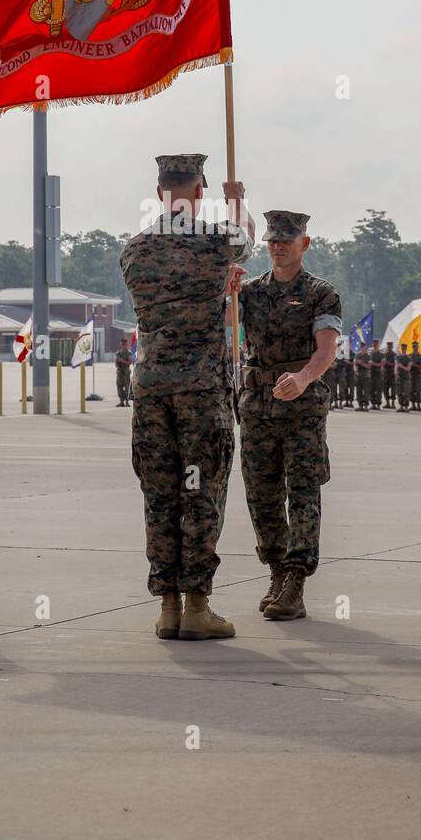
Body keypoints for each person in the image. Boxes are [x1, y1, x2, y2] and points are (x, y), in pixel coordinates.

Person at [120, 154, 254, 641]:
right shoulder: (218, 241)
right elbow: (246, 239)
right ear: (200, 192)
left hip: (152, 383)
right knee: (201, 491)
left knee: (159, 493)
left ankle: (168, 606)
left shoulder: (134, 250)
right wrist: (238, 203)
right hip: (200, 386)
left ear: (159, 192)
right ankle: (198, 604)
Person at [237, 210, 340, 622]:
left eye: (286, 240)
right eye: (272, 240)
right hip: (256, 404)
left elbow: (326, 350)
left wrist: (303, 377)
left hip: (302, 408)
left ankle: (296, 580)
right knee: (261, 495)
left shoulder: (321, 293)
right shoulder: (247, 292)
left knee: (302, 493)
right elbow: (223, 316)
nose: (277, 246)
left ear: (304, 243)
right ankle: (277, 570)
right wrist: (236, 204)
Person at [114, 337, 132, 406]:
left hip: (126, 373)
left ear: (126, 345)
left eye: (124, 344)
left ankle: (127, 402)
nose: (123, 346)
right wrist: (117, 362)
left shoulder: (129, 353)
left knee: (127, 387)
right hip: (119, 372)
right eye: (121, 344)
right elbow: (115, 363)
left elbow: (129, 362)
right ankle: (121, 401)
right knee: (119, 387)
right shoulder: (118, 353)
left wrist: (122, 361)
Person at [354, 341, 371, 410]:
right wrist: (355, 370)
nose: (362, 348)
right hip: (358, 376)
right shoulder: (357, 355)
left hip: (365, 376)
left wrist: (361, 363)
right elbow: (354, 364)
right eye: (361, 347)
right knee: (359, 391)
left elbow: (369, 366)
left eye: (363, 347)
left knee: (366, 391)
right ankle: (360, 405)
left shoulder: (368, 356)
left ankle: (366, 406)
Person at [396, 342, 412, 411]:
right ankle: (401, 406)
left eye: (404, 348)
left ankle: (406, 407)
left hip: (406, 377)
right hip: (399, 377)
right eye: (402, 348)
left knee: (406, 392)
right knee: (399, 392)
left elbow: (408, 368)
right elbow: (396, 366)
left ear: (406, 349)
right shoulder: (397, 357)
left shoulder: (409, 358)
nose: (403, 349)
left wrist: (401, 366)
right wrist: (396, 374)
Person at [409, 340, 421, 412]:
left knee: (418, 390)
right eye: (413, 346)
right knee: (411, 390)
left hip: (418, 375)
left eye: (416, 346)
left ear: (418, 347)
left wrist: (414, 364)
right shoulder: (409, 356)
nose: (414, 347)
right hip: (411, 375)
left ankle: (418, 405)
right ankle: (413, 405)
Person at [369, 339, 384, 409]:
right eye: (374, 345)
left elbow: (382, 364)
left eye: (376, 345)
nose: (375, 346)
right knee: (371, 389)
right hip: (371, 374)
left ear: (378, 345)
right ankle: (373, 404)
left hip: (378, 374)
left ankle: (378, 404)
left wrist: (374, 364)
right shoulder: (370, 354)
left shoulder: (381, 354)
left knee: (378, 390)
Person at [382, 341, 396, 408]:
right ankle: (387, 403)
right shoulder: (384, 355)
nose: (389, 348)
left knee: (393, 390)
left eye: (390, 347)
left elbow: (395, 364)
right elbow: (382, 363)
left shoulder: (395, 355)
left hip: (392, 374)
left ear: (392, 347)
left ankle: (393, 403)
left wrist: (388, 363)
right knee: (385, 389)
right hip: (385, 374)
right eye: (388, 347)